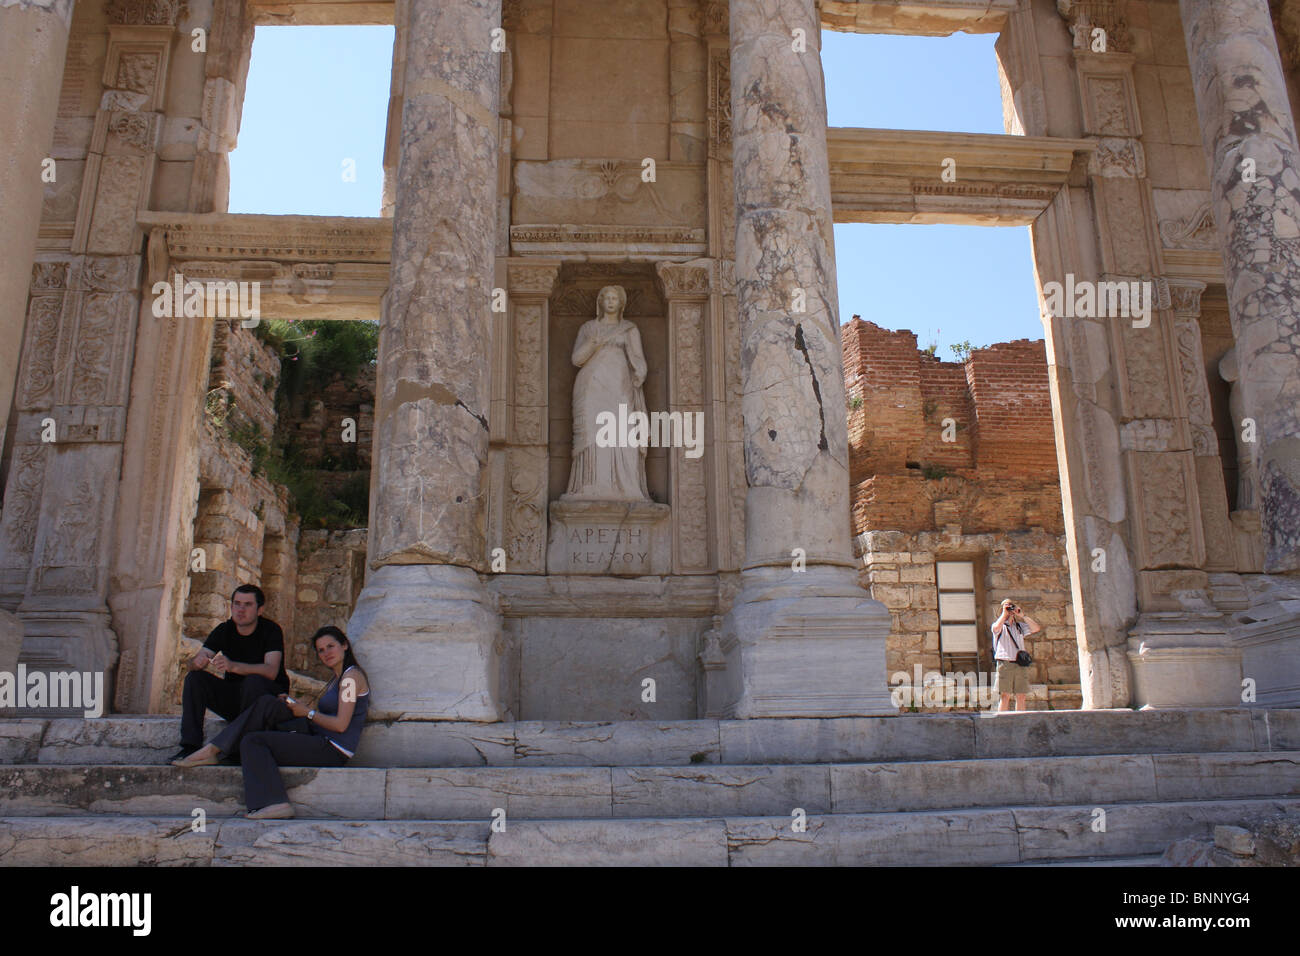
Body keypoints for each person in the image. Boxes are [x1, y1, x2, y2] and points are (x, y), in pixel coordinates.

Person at [172, 626, 370, 820]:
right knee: (269, 704)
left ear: (344, 645)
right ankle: (215, 750)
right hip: (318, 736)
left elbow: (341, 725)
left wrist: (307, 712)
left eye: (331, 646)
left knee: (253, 742)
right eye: (321, 650)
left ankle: (274, 803)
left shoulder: (351, 678)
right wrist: (295, 706)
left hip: (332, 749)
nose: (326, 653)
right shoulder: (337, 678)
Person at [170, 584, 289, 763]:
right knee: (195, 679)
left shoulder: (270, 630)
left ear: (260, 609)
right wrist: (196, 663)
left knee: (253, 681)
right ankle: (189, 747)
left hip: (265, 704)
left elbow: (271, 671)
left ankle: (238, 750)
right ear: (231, 606)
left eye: (248, 604)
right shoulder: (224, 630)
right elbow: (196, 661)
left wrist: (233, 667)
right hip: (237, 702)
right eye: (237, 604)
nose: (241, 610)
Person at [992, 598, 1040, 712]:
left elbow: (1036, 628)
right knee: (1005, 696)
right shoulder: (999, 626)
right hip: (1005, 663)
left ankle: (1020, 720)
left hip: (1019, 663)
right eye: (1007, 607)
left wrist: (1023, 615)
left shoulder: (1019, 626)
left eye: (1010, 607)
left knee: (1021, 696)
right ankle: (1002, 721)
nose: (1009, 610)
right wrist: (1004, 614)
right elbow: (995, 628)